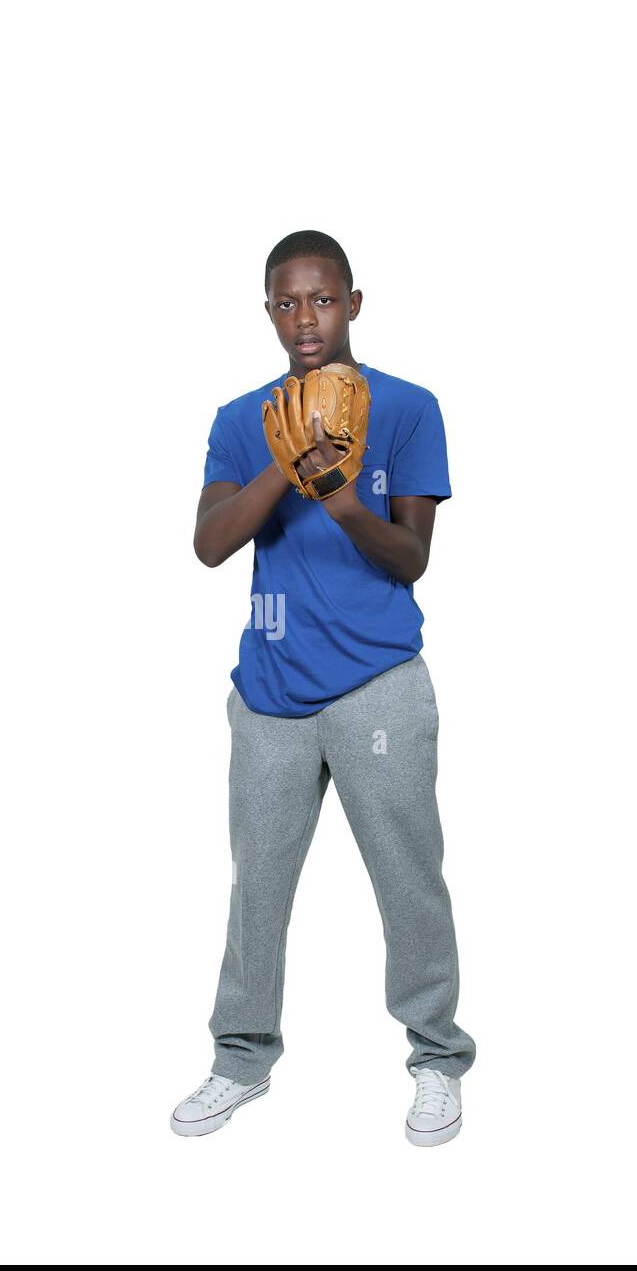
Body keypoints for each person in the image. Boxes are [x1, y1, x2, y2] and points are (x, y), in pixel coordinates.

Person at [170, 230, 476, 1147]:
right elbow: (210, 543)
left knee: (407, 879)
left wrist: (340, 493)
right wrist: (285, 454)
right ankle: (240, 1057)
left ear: (353, 302)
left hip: (377, 682)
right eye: (287, 303)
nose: (306, 318)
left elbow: (411, 560)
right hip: (269, 692)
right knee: (256, 886)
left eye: (323, 299)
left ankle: (434, 1057)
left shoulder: (411, 408)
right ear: (270, 312)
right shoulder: (237, 417)